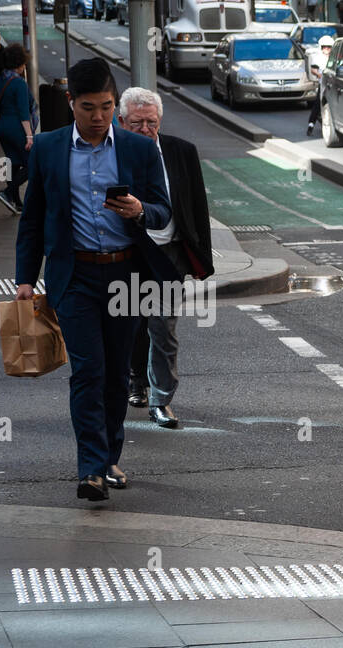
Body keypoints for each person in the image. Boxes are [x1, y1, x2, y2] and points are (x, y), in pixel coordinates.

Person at [13, 58, 174, 501]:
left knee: (117, 375)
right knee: (87, 370)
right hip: (75, 275)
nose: (99, 117)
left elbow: (164, 210)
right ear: (71, 104)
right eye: (88, 108)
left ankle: (107, 457)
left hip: (127, 273)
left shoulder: (139, 150)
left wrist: (141, 210)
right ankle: (91, 470)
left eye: (105, 107)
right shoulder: (47, 149)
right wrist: (25, 279)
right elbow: (33, 219)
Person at [118, 87, 213, 429]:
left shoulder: (181, 151)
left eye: (151, 122)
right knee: (130, 323)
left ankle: (161, 399)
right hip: (128, 251)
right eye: (137, 123)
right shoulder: (112, 154)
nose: (145, 129)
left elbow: (196, 204)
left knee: (163, 327)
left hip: (169, 254)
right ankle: (134, 381)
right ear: (121, 122)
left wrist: (201, 254)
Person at [0, 43, 36, 214]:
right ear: (18, 63)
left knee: (13, 163)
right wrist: (29, 136)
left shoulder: (2, 78)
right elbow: (24, 113)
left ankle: (16, 202)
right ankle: (7, 192)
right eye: (23, 63)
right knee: (33, 164)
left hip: (2, 127)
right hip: (16, 128)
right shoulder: (19, 84)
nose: (24, 66)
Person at [305, 33, 334, 134]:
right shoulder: (318, 57)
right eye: (324, 47)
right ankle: (311, 124)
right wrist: (319, 75)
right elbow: (313, 69)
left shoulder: (334, 57)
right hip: (323, 84)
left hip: (333, 84)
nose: (326, 49)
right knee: (317, 104)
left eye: (328, 47)